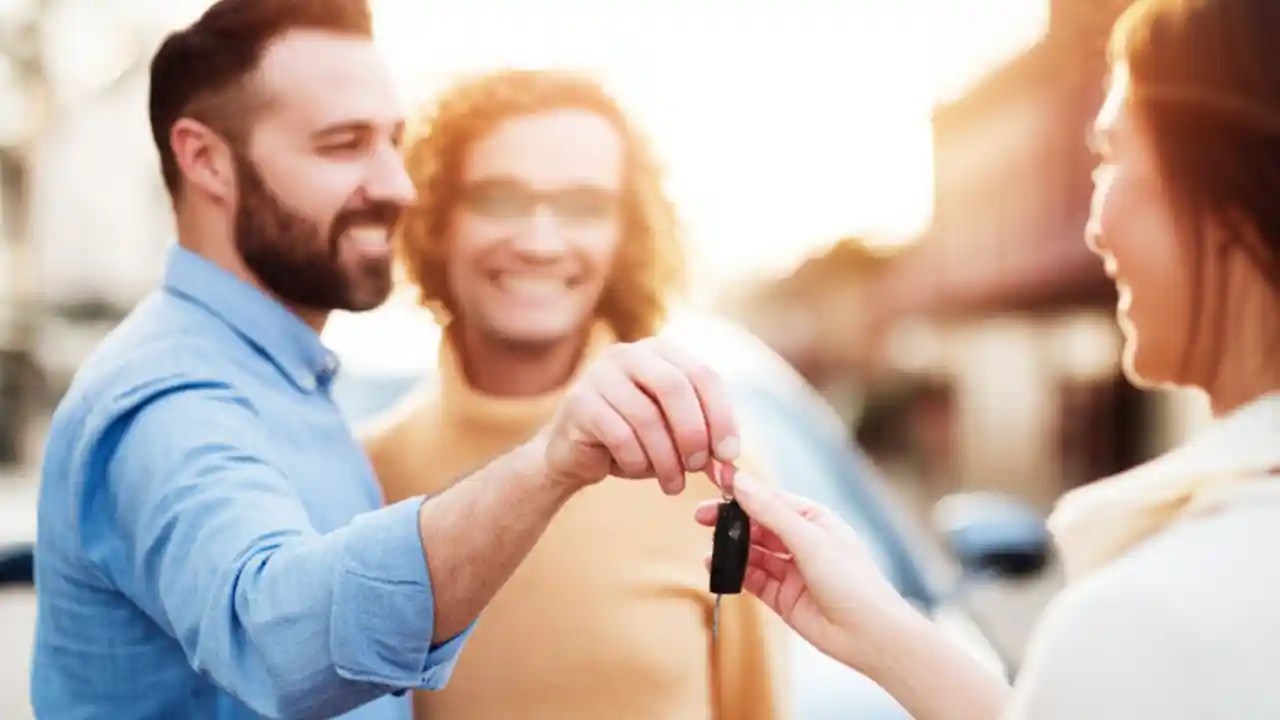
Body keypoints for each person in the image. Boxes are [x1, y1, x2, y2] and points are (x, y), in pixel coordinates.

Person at [30, 3, 741, 718]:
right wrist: (548, 464)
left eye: (392, 143)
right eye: (343, 145)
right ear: (207, 160)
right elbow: (278, 638)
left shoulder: (289, 388)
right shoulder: (171, 399)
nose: (399, 185)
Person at [697, 0, 1280, 717]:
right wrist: (889, 635)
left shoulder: (1156, 615)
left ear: (1222, 191)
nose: (1096, 228)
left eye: (1109, 157)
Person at [359, 70, 783, 720]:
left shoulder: (711, 474)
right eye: (499, 198)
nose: (538, 241)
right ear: (439, 219)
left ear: (627, 235)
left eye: (583, 205)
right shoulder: (365, 474)